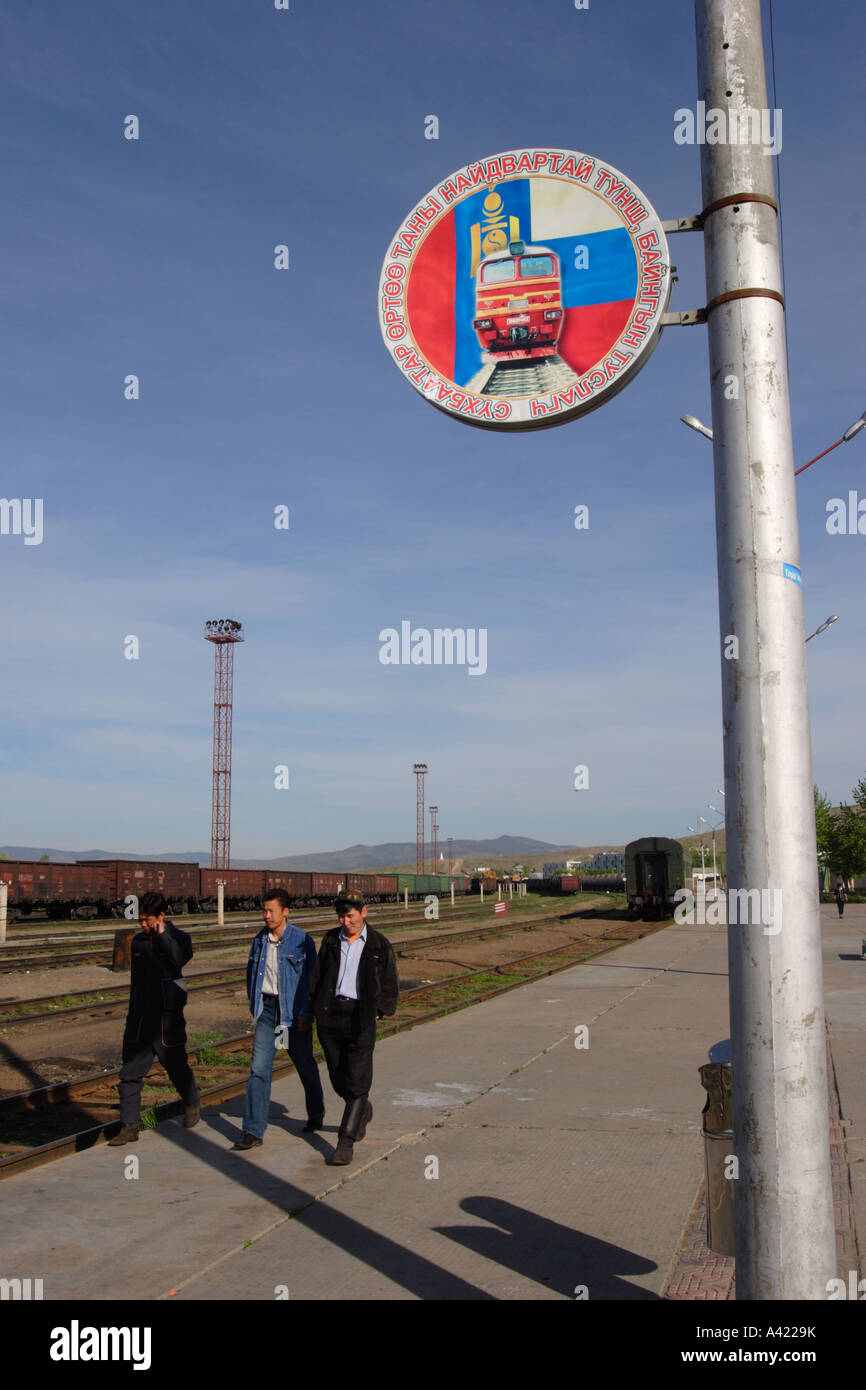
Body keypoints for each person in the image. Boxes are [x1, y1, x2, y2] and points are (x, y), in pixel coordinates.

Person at [309, 892, 398, 1166]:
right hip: (331, 1015)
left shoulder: (379, 944)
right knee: (338, 1075)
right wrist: (312, 1007)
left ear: (364, 912)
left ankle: (345, 1141)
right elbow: (317, 976)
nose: (346, 921)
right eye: (341, 916)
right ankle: (362, 1108)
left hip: (361, 1016)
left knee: (358, 1079)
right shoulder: (330, 940)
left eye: (351, 915)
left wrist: (380, 1010)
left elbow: (389, 981)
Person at [233, 889, 324, 1149]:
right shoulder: (259, 941)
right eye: (264, 910)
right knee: (259, 1070)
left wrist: (307, 1014)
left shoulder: (302, 940)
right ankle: (252, 1131)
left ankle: (316, 1114)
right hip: (268, 1010)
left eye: (271, 910)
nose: (267, 915)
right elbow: (251, 974)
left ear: (286, 912)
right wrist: (256, 1007)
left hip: (294, 1013)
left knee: (305, 1067)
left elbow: (310, 980)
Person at [109, 892, 200, 1144]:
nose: (143, 925)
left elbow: (178, 958)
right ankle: (128, 1127)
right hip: (139, 1017)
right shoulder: (138, 942)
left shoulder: (180, 938)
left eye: (148, 920)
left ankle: (192, 1101)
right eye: (140, 920)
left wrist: (163, 935)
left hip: (167, 1018)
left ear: (161, 916)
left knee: (175, 1065)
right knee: (130, 1073)